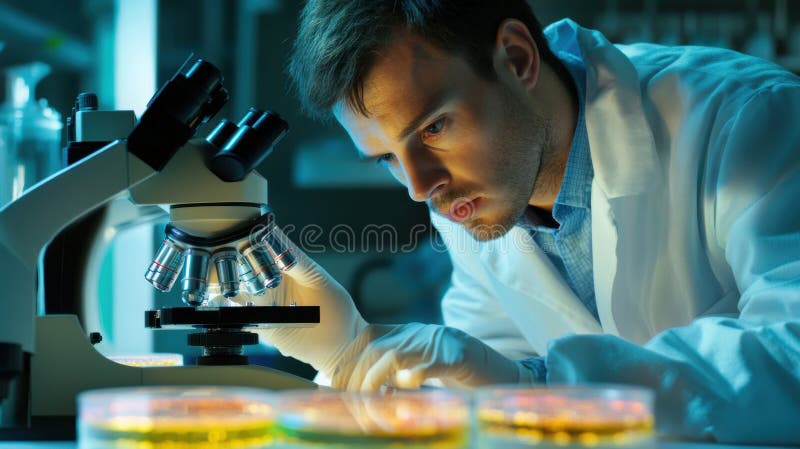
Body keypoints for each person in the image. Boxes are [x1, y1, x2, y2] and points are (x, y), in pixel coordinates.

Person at [254, 0, 800, 444]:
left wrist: (533, 390)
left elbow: (790, 356)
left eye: (435, 127)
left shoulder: (750, 119)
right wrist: (352, 351)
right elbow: (482, 397)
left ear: (516, 59)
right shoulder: (472, 200)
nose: (420, 186)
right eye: (388, 158)